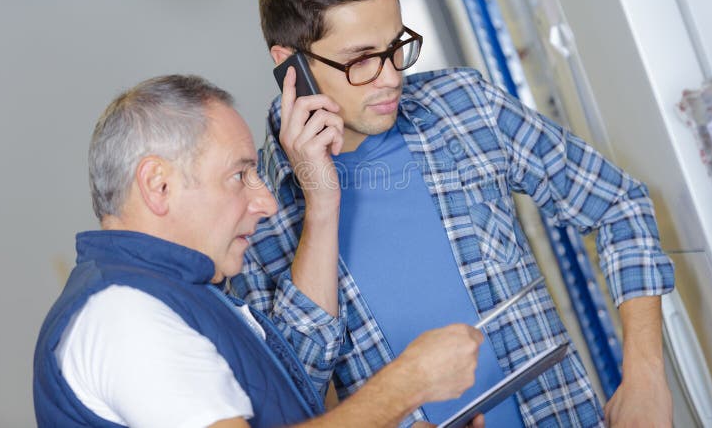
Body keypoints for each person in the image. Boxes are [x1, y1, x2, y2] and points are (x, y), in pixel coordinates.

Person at [231, 0, 676, 427]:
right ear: (289, 66)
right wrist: (319, 203)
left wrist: (646, 376)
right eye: (361, 60)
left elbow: (618, 205)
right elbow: (294, 389)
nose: (391, 78)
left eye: (397, 47)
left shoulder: (466, 105)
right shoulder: (253, 216)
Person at [33, 75, 485, 428]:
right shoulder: (123, 314)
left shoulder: (190, 294)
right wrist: (406, 385)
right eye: (240, 175)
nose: (265, 203)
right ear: (159, 185)